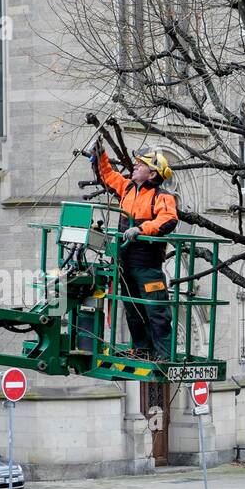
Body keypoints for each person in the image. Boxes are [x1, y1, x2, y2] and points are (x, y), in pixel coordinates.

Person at [94, 146, 179, 359]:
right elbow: (108, 176)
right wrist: (100, 154)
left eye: (140, 165)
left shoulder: (162, 197)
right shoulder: (128, 188)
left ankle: (164, 355)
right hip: (126, 262)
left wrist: (141, 229)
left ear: (152, 174)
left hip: (148, 266)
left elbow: (167, 220)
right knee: (133, 310)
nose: (135, 166)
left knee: (156, 311)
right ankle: (142, 350)